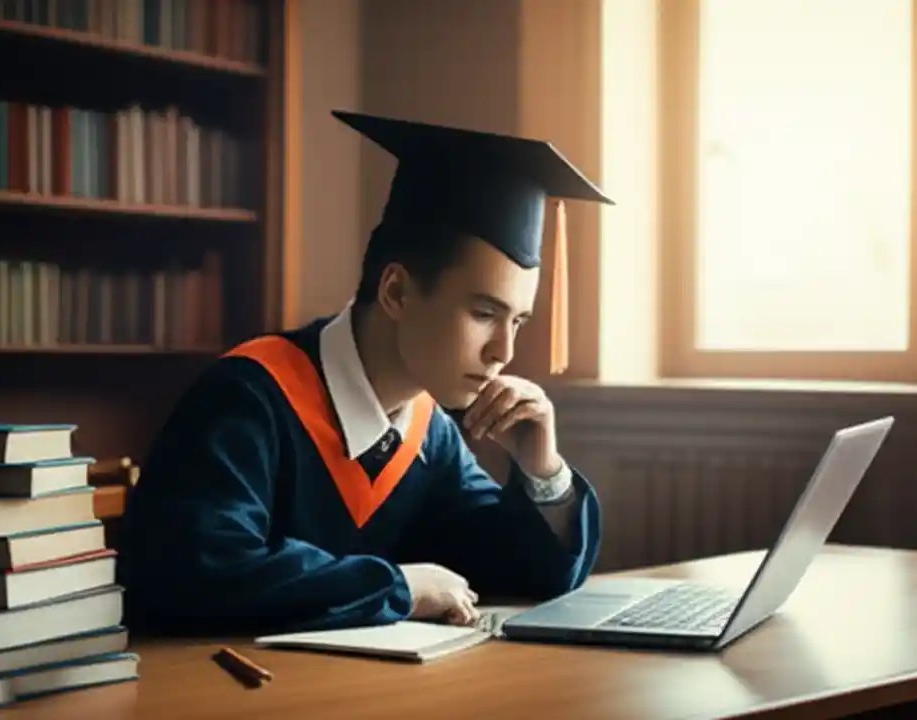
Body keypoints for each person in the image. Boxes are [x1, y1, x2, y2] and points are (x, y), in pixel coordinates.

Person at [116, 110, 614, 635]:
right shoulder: (247, 397)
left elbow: (524, 574)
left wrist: (542, 471)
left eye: (518, 320)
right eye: (485, 314)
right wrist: (398, 588)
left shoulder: (428, 433)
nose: (504, 351)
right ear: (396, 292)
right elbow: (201, 573)